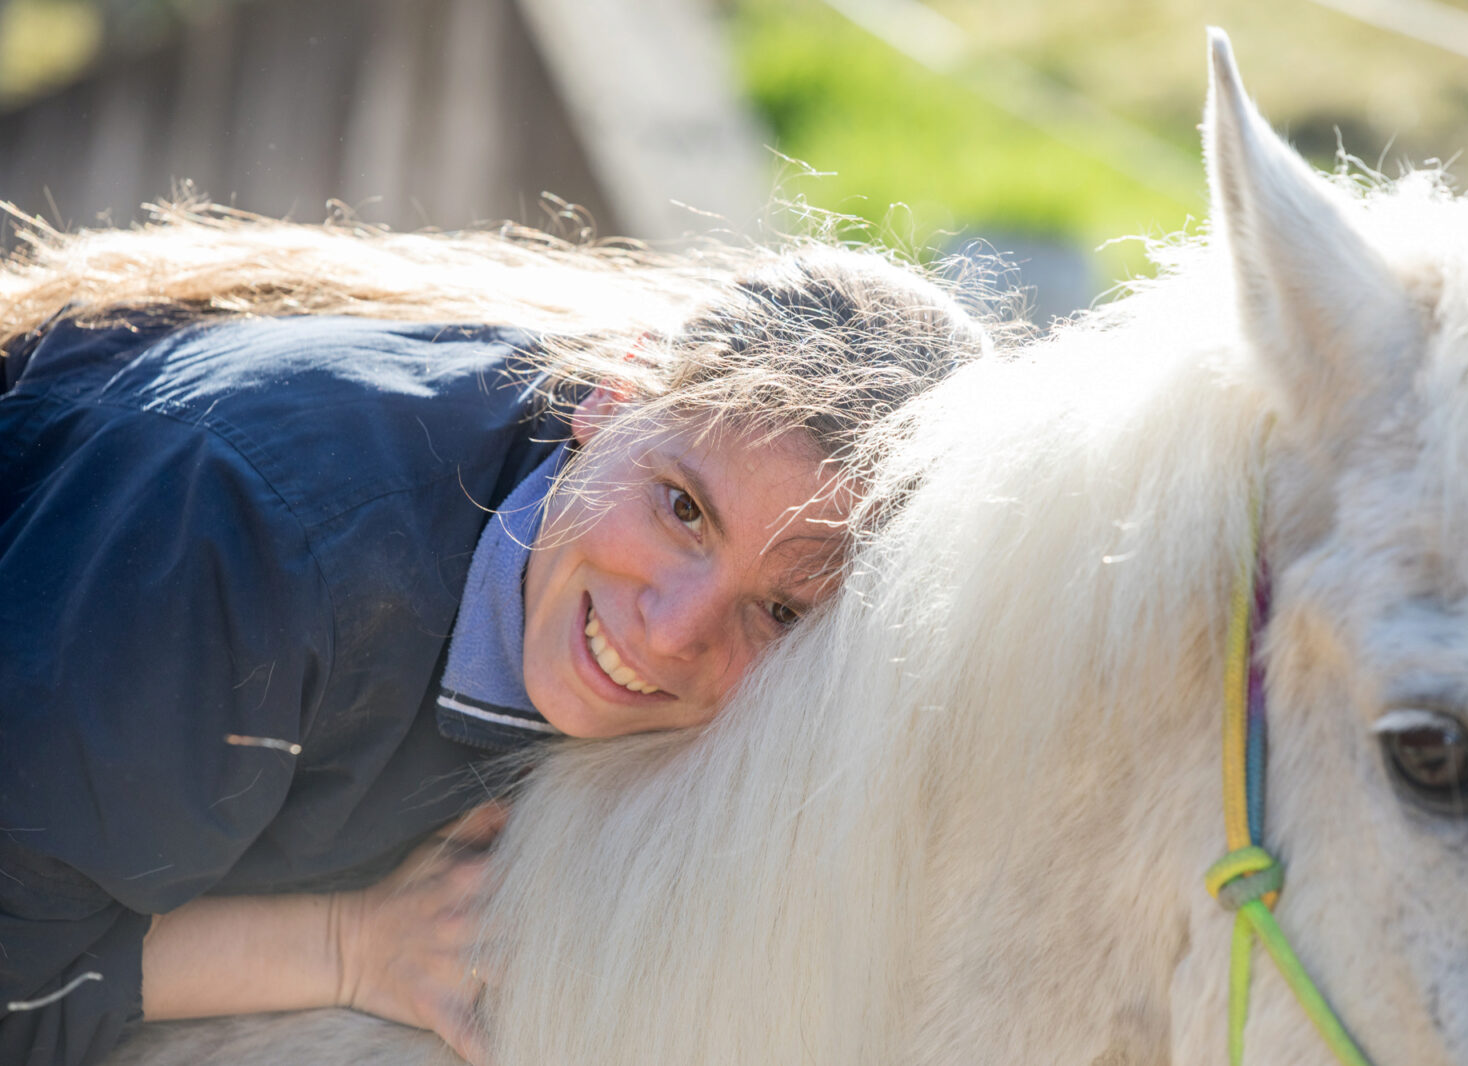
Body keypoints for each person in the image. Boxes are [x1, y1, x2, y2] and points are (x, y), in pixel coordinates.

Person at [0, 206, 1008, 1065]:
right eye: (682, 509)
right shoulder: (242, 546)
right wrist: (347, 944)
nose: (670, 632)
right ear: (614, 394)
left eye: (780, 611)